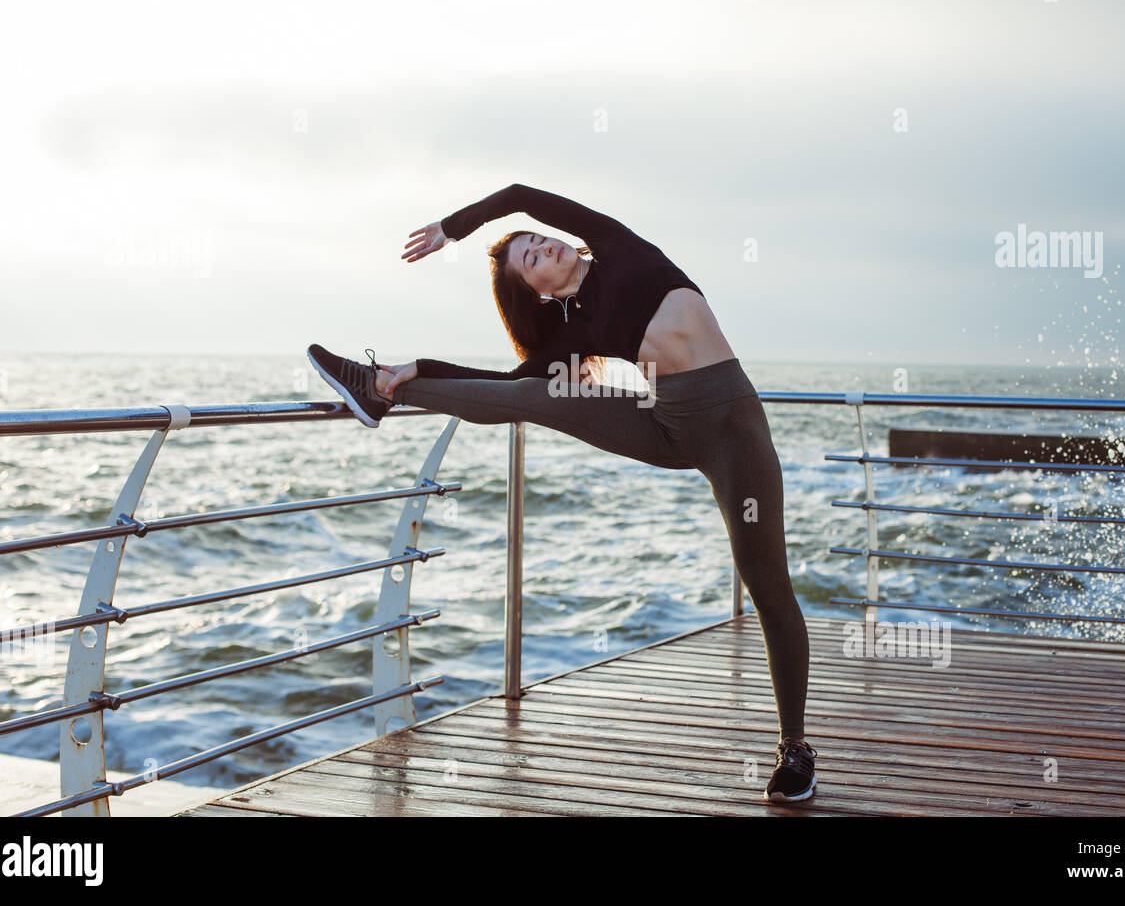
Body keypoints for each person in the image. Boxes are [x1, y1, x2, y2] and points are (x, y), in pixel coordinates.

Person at [306, 183, 815, 803]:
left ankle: (794, 749)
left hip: (734, 428)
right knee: (541, 398)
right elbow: (508, 387)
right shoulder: (573, 332)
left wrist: (453, 227)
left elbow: (521, 193)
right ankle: (379, 387)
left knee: (767, 585)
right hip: (664, 424)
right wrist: (419, 369)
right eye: (530, 258)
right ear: (539, 292)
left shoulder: (618, 247)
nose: (543, 246)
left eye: (539, 241)